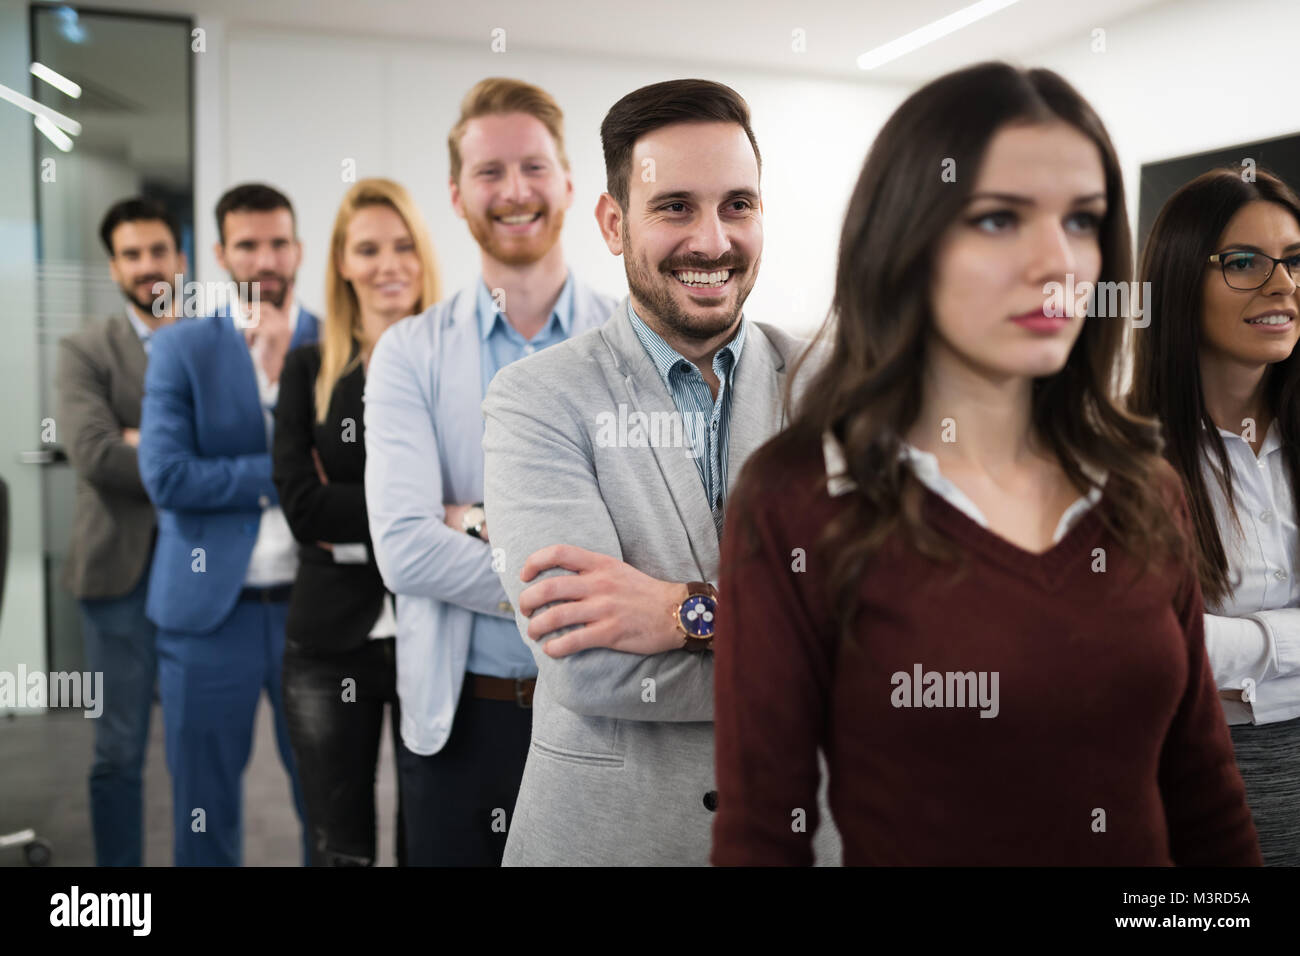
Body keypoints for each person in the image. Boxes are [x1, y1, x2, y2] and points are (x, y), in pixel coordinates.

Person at [710, 62, 1261, 866]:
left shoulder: (1146, 488)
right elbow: (763, 835)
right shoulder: (800, 497)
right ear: (908, 237)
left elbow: (1203, 796)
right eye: (1000, 219)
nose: (1058, 263)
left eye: (1082, 221)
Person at [482, 78, 839, 866]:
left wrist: (681, 612)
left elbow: (890, 627)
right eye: (675, 206)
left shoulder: (835, 386)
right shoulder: (535, 400)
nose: (712, 241)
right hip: (609, 838)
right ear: (614, 224)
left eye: (737, 205)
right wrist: (804, 649)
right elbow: (589, 664)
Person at [364, 78, 615, 866]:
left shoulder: (634, 340)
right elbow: (403, 547)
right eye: (489, 172)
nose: (514, 192)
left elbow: (657, 543)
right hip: (464, 720)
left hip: (607, 718)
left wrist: (468, 517)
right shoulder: (410, 352)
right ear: (457, 194)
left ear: (570, 183)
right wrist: (583, 586)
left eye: (534, 167)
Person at [139, 182, 317, 866]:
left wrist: (278, 376)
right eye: (247, 244)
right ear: (220, 253)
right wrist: (288, 467)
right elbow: (168, 478)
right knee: (203, 811)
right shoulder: (182, 349)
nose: (265, 258)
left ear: (298, 248)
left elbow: (356, 481)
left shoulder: (332, 343)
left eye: (277, 242)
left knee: (327, 803)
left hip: (314, 615)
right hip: (209, 616)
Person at [1130, 167, 1300, 865]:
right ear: (1177, 281)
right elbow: (1139, 648)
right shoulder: (1121, 458)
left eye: (1293, 260)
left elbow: (1191, 642)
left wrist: (1238, 645)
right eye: (1243, 263)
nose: (1282, 284)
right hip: (1186, 782)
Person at [273, 178, 441, 866]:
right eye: (367, 248)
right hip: (328, 641)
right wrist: (428, 509)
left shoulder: (452, 363)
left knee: (429, 834)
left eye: (403, 246)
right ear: (342, 261)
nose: (387, 264)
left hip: (435, 627)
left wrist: (355, 503)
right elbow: (300, 507)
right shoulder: (308, 368)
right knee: (339, 847)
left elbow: (482, 495)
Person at [57, 197, 184, 866]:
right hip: (117, 577)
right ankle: (118, 890)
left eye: (158, 251)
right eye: (132, 255)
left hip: (200, 573)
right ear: (114, 267)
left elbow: (239, 449)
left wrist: (145, 441)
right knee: (120, 747)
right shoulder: (84, 350)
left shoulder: (212, 340)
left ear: (180, 258)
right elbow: (95, 453)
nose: (148, 266)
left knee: (202, 748)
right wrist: (180, 453)